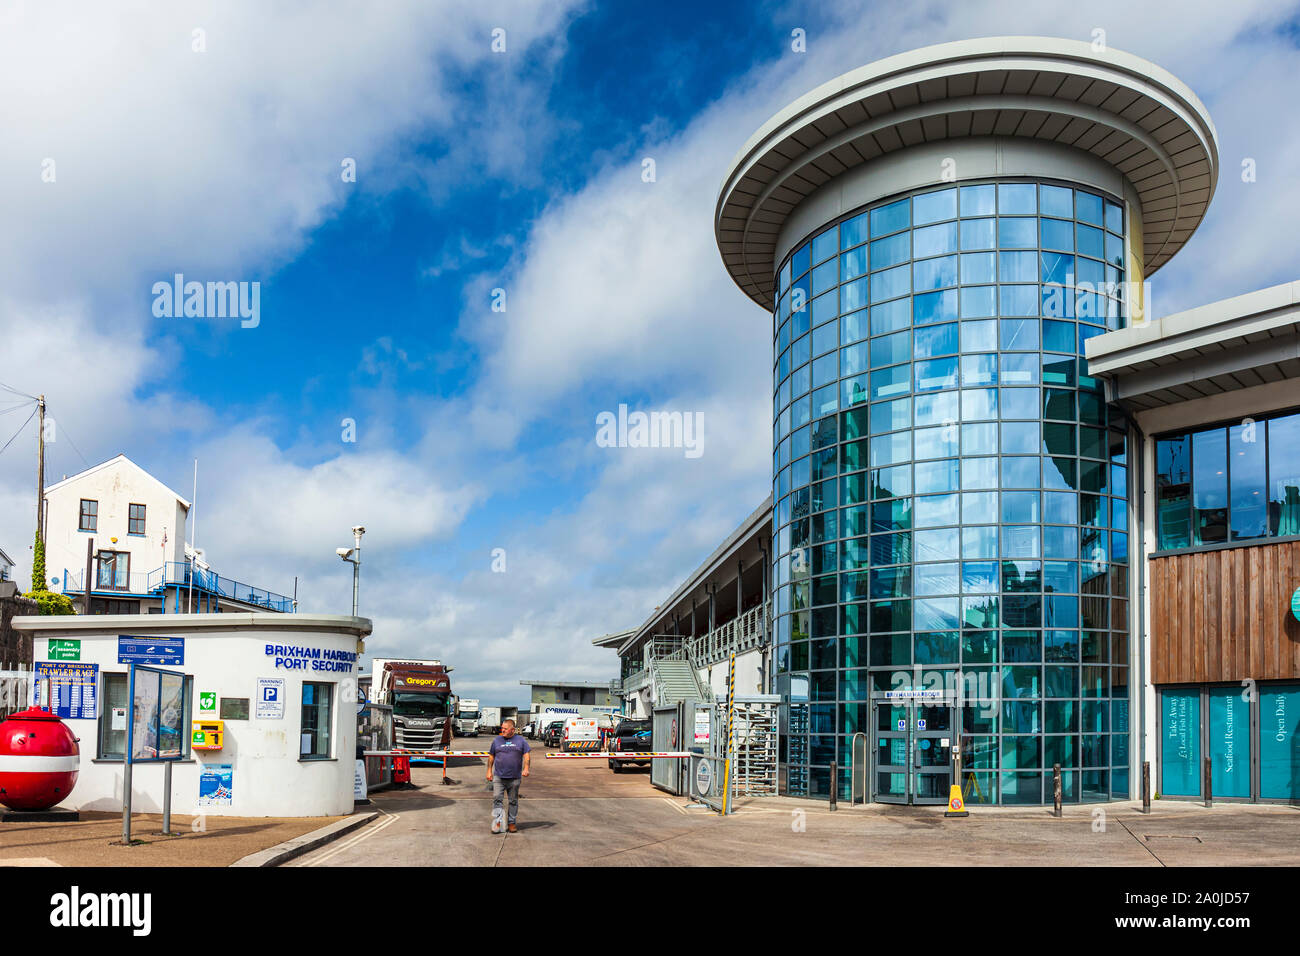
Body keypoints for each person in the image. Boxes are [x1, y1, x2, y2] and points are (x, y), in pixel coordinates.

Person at [486, 718, 530, 833]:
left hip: (514, 777)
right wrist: (489, 771)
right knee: (497, 799)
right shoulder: (497, 740)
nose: (502, 730)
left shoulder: (521, 741)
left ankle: (511, 823)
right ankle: (498, 823)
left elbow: (526, 755)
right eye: (502, 728)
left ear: (512, 730)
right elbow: (491, 756)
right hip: (499, 777)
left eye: (505, 729)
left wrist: (526, 768)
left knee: (513, 801)